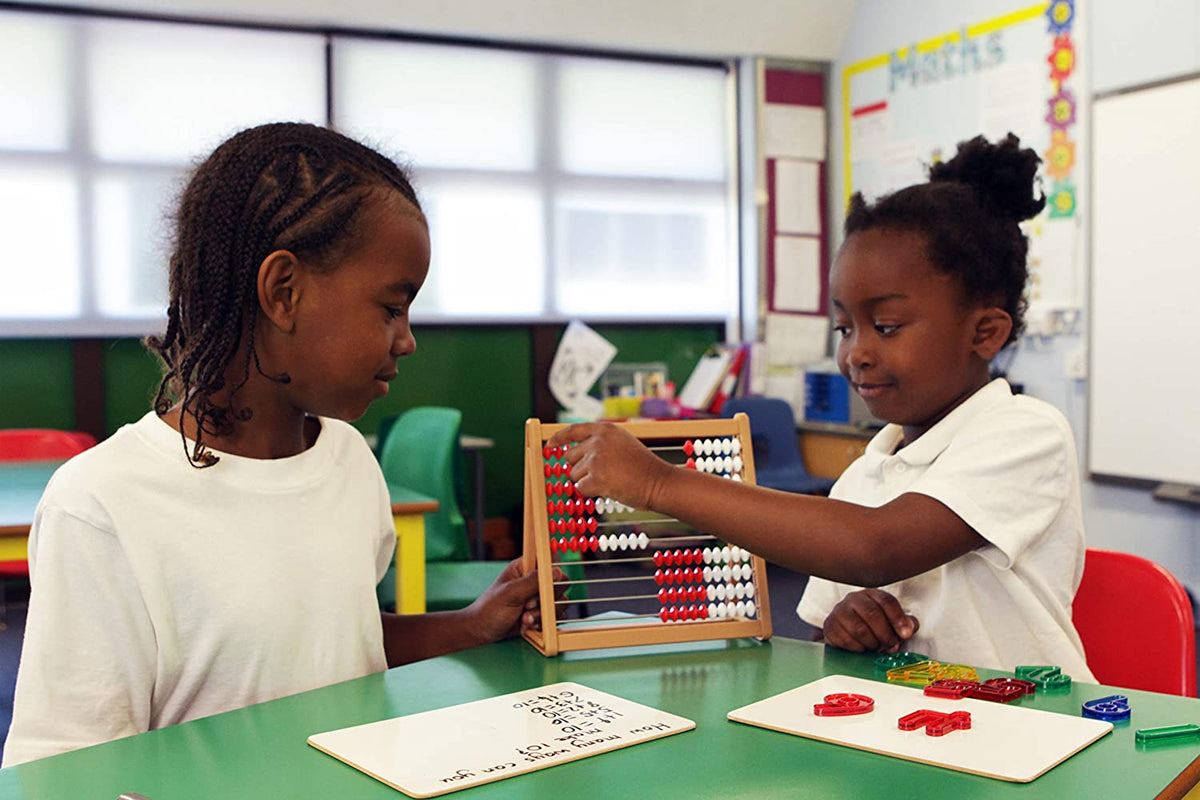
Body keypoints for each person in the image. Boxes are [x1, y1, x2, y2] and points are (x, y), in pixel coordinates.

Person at [4, 122, 554, 766]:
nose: (407, 341)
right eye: (390, 308)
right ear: (283, 292)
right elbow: (62, 766)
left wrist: (468, 623)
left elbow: (332, 648)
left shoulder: (349, 462)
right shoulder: (101, 506)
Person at [549, 134, 1093, 681]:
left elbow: (874, 547)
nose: (856, 351)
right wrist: (842, 626)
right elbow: (819, 631)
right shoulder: (866, 476)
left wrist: (659, 484)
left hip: (1033, 729)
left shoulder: (1026, 432)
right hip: (918, 734)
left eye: (886, 327)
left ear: (985, 333)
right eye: (844, 327)